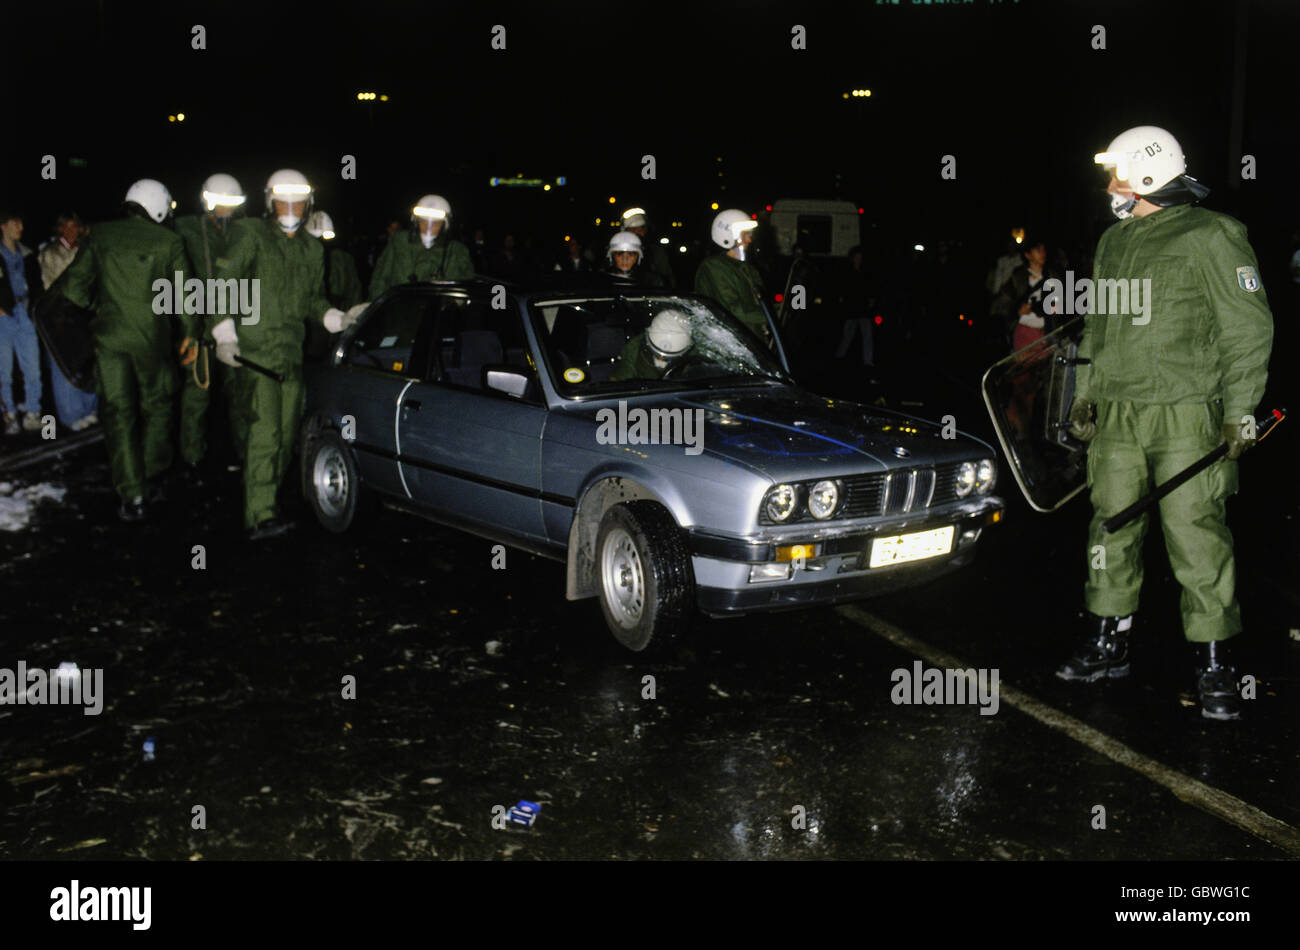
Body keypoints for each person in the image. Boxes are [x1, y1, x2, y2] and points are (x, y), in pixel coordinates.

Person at [1058, 125, 1274, 722]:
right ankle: (1108, 641)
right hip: (1120, 418)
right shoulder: (1113, 243)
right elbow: (1098, 331)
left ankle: (1213, 662)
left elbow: (1247, 329)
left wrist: (1240, 413)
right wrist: (1087, 397)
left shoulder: (1213, 235)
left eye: (1118, 174)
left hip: (1186, 416)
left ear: (1149, 175)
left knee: (1196, 535)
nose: (1110, 185)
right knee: (1109, 527)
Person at [212, 169, 366, 540]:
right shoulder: (251, 235)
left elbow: (313, 301)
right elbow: (221, 284)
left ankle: (265, 498)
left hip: (290, 355)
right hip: (256, 353)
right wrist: (223, 334)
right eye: (284, 198)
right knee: (265, 433)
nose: (291, 207)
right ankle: (259, 514)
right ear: (270, 201)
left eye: (298, 199)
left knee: (285, 437)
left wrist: (339, 317)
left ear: (308, 202)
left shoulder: (312, 249)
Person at [61, 181, 189, 520]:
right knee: (158, 407)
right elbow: (184, 301)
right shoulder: (170, 241)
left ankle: (132, 496)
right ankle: (152, 473)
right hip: (153, 342)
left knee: (119, 416)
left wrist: (102, 308)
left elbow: (73, 290)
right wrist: (191, 335)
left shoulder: (99, 235)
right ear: (159, 207)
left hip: (109, 342)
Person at [174, 173, 246, 481]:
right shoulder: (187, 228)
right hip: (201, 325)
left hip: (235, 324)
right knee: (196, 395)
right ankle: (191, 459)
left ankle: (244, 455)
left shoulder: (245, 231)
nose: (225, 210)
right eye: (220, 203)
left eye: (231, 204)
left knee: (240, 395)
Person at [37, 213, 98, 430]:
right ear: (60, 229)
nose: (72, 230)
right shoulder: (50, 252)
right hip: (60, 318)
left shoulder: (85, 250)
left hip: (84, 316)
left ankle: (89, 409)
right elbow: (53, 285)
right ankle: (71, 416)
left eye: (75, 226)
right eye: (67, 226)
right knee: (63, 366)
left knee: (88, 362)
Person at [368, 194, 474, 297]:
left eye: (435, 224)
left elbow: (465, 289)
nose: (428, 227)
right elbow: (380, 279)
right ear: (416, 221)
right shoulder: (399, 242)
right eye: (423, 221)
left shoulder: (456, 252)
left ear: (444, 225)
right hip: (399, 310)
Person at [0, 211, 47, 436]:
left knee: (32, 368)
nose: (20, 226)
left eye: (21, 221)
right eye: (14, 222)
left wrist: (34, 307)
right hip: (4, 317)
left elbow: (37, 285)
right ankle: (8, 414)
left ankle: (32, 413)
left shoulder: (28, 254)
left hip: (25, 312)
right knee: (4, 371)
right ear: (3, 226)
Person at [694, 209, 768, 343]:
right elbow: (734, 310)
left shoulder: (748, 268)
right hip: (730, 343)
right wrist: (770, 316)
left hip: (753, 341)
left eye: (749, 234)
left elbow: (760, 302)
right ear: (728, 236)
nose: (749, 240)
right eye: (744, 235)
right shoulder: (714, 267)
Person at [610, 308, 693, 381]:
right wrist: (623, 399)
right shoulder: (635, 348)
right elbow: (620, 385)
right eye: (657, 354)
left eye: (668, 358)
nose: (661, 362)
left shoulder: (696, 352)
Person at [833, 245, 875, 365]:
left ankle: (868, 360)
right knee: (847, 335)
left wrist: (871, 299)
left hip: (863, 308)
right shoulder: (847, 272)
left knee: (867, 334)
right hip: (851, 308)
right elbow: (843, 288)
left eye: (860, 257)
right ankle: (840, 356)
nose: (858, 260)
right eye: (856, 257)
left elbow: (870, 287)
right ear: (852, 258)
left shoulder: (865, 272)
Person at [622, 208, 675, 289]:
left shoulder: (656, 252)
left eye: (641, 229)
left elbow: (668, 282)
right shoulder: (616, 251)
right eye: (632, 229)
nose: (637, 233)